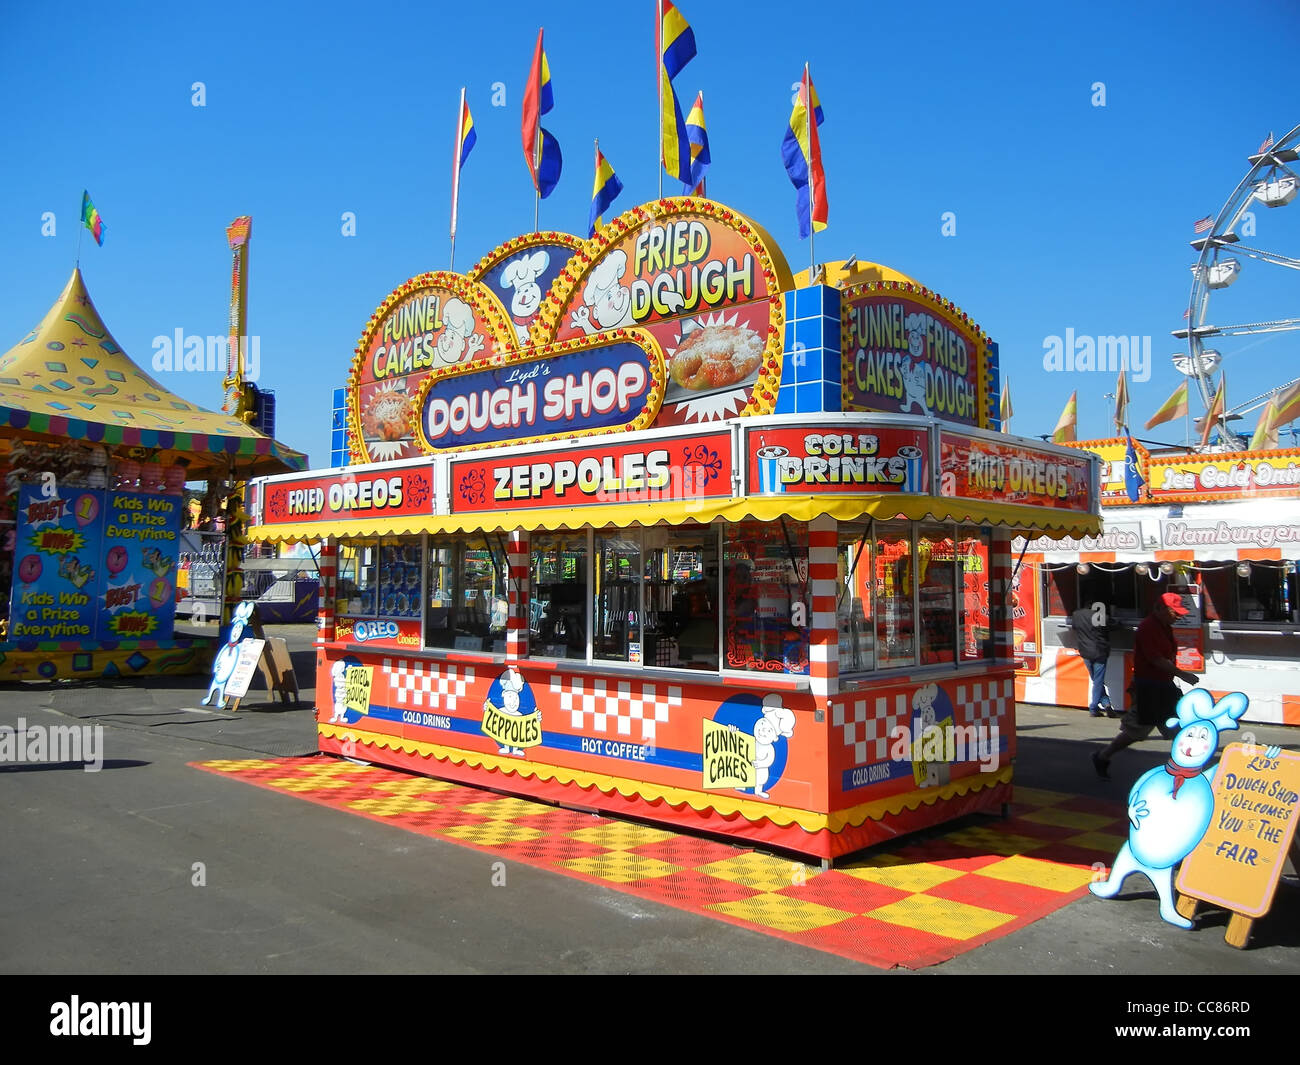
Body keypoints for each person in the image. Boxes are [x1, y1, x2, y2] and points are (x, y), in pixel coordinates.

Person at [1092, 592, 1198, 779]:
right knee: (1137, 730)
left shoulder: (1164, 626)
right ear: (1160, 609)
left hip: (1163, 685)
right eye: (1175, 612)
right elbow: (1156, 659)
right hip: (1149, 686)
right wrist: (1182, 674)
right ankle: (1103, 756)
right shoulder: (1148, 627)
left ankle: (1186, 767)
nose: (1179, 616)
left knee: (1175, 727)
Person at [1070, 602, 1116, 717]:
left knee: (1097, 680)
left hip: (1085, 651)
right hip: (1099, 652)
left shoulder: (1076, 615)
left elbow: (1074, 628)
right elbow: (1113, 626)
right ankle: (1093, 708)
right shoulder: (1101, 617)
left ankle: (1107, 705)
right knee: (1098, 681)